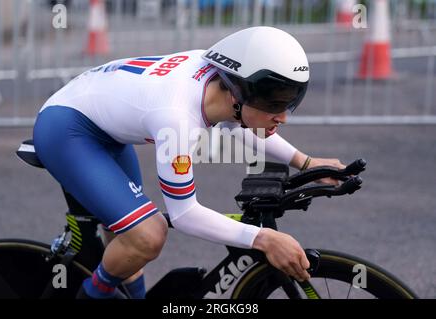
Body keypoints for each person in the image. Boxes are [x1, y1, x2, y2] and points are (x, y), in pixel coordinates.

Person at [32, 26, 345, 299]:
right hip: (67, 129)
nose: (284, 115)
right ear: (238, 93)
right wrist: (263, 239)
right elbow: (185, 214)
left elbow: (241, 124)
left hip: (102, 126)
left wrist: (306, 162)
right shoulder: (178, 118)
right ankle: (92, 295)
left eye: (291, 100)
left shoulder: (219, 79)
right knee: (147, 235)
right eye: (276, 103)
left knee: (129, 250)